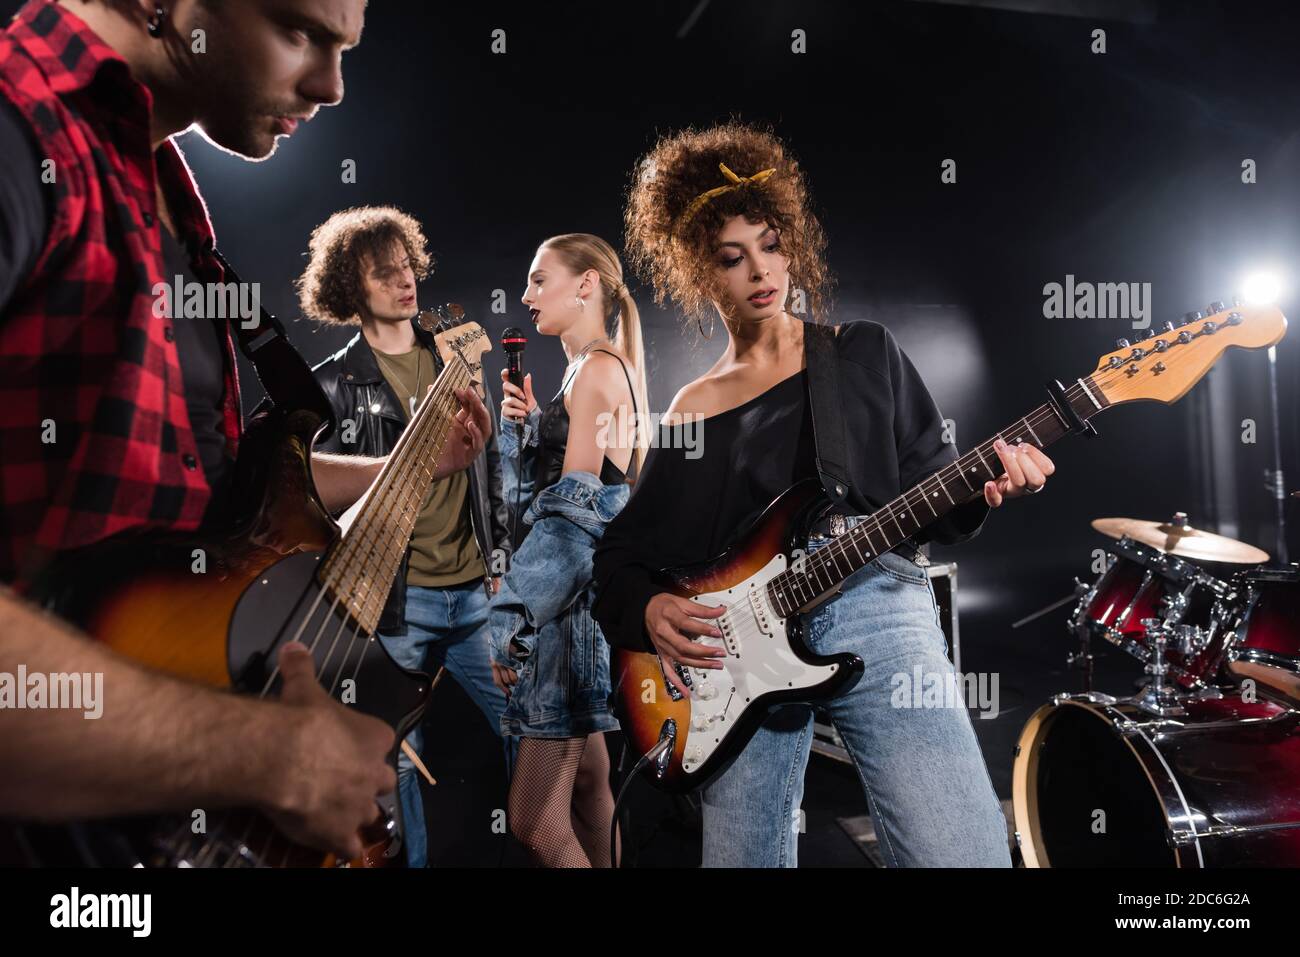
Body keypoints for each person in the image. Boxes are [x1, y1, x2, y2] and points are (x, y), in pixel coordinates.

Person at [0, 0, 487, 860]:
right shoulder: (21, 134)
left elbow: (218, 490)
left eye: (345, 47)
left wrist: (406, 465)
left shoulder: (169, 198)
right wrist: (269, 754)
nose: (333, 86)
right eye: (299, 31)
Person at [593, 121, 1056, 867]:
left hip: (880, 607)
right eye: (732, 257)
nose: (760, 271)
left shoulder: (862, 352)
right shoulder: (692, 408)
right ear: (700, 273)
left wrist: (988, 483)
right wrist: (649, 607)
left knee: (962, 854)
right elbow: (622, 554)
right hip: (739, 655)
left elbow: (932, 490)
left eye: (771, 245)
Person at [302, 205, 514, 867]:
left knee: (533, 726)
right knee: (386, 757)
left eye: (406, 265)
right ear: (347, 289)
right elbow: (300, 490)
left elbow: (493, 465)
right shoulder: (331, 384)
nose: (403, 280)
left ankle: (541, 843)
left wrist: (500, 560)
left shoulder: (456, 350)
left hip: (478, 594)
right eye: (382, 272)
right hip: (395, 602)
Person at [488, 233, 649, 866]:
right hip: (573, 611)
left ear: (586, 285)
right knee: (588, 788)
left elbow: (574, 522)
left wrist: (510, 621)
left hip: (563, 619)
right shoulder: (590, 369)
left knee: (532, 822)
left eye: (538, 279)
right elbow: (542, 495)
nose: (525, 296)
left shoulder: (600, 370)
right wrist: (522, 430)